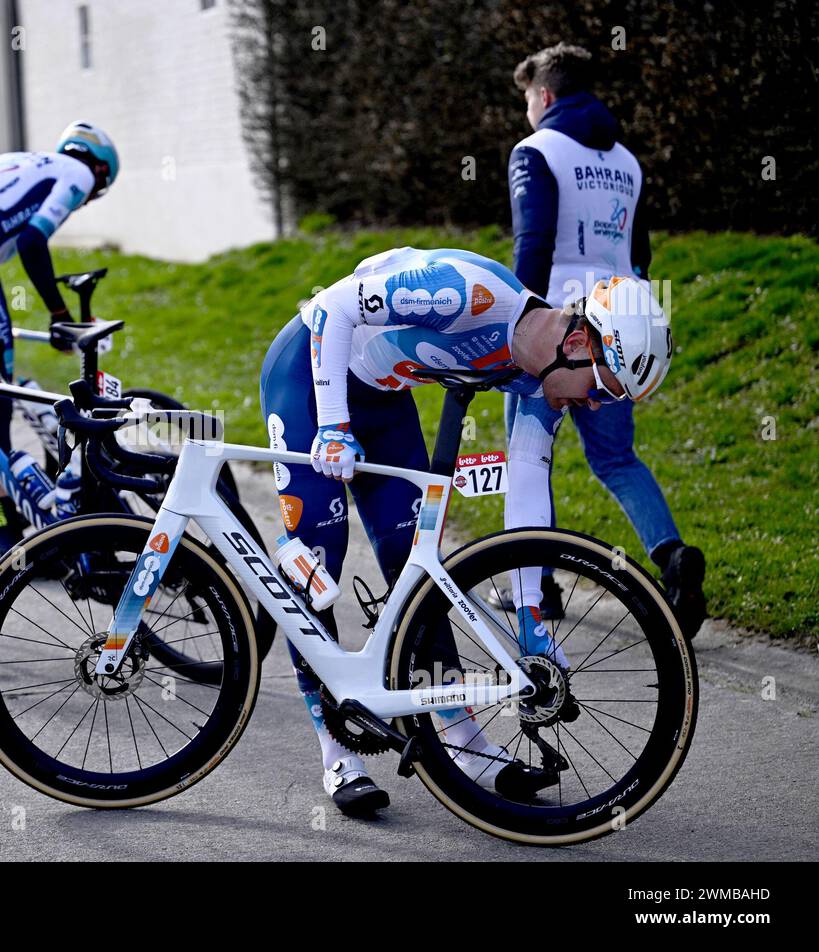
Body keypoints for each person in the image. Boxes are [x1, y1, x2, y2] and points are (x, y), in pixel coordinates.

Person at [260, 247, 672, 816]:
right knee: (318, 559)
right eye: (601, 387)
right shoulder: (467, 293)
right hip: (310, 377)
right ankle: (335, 747)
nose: (595, 405)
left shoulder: (538, 380)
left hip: (383, 398)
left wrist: (531, 619)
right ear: (578, 343)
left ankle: (464, 739)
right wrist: (332, 425)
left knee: (415, 563)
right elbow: (333, 307)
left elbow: (528, 503)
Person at [506, 42, 706, 638]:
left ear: (544, 96)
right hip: (620, 333)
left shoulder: (535, 151)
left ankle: (535, 585)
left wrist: (517, 328)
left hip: (557, 336)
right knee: (617, 458)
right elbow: (640, 256)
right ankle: (672, 557)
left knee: (528, 463)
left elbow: (533, 246)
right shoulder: (626, 160)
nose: (526, 113)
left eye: (526, 101)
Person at [0, 122, 120, 559]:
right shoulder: (77, 173)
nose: (87, 199)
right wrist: (59, 314)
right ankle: (8, 541)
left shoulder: (24, 160)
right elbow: (32, 242)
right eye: (98, 190)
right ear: (99, 171)